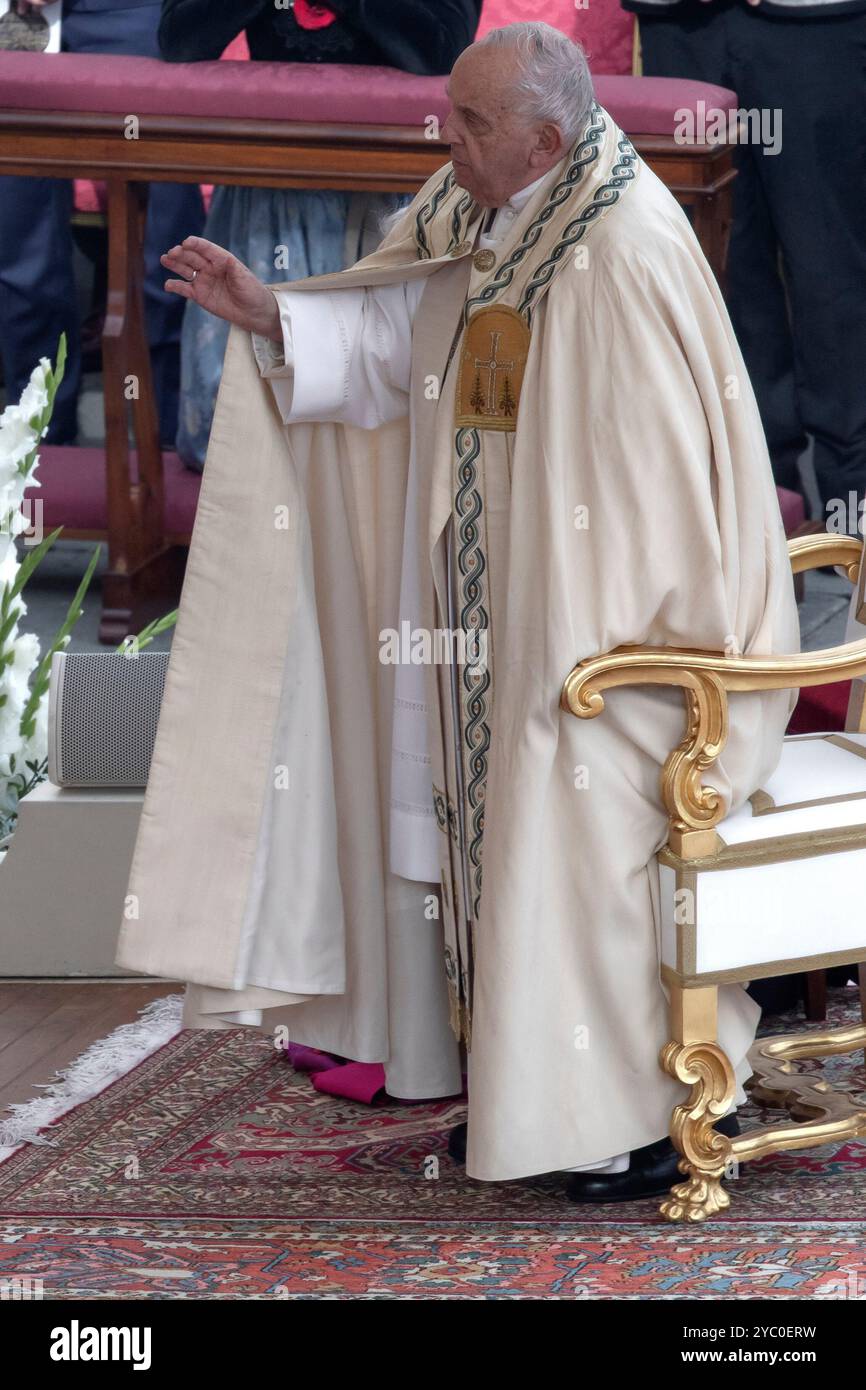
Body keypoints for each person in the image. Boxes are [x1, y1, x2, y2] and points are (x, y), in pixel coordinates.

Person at [115, 22, 801, 1200]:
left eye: (469, 124)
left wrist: (590, 649)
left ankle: (631, 1121)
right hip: (489, 626)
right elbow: (400, 340)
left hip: (619, 649)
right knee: (477, 842)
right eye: (449, 112)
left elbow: (653, 497)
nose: (446, 139)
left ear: (544, 138)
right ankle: (528, 1102)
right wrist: (273, 314)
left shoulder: (616, 253)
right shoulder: (481, 210)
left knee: (566, 810)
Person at [157, 0, 483, 471]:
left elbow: (443, 51)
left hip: (394, 192)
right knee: (248, 439)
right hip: (270, 181)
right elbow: (179, 40)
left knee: (388, 432)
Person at [624, 0, 866, 521]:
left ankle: (853, 510)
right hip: (684, 22)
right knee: (720, 270)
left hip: (812, 22)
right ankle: (761, 505)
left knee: (830, 265)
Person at [0, 0, 204, 445]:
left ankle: (174, 437)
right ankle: (40, 448)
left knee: (167, 244)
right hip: (14, 17)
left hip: (127, 11)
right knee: (21, 259)